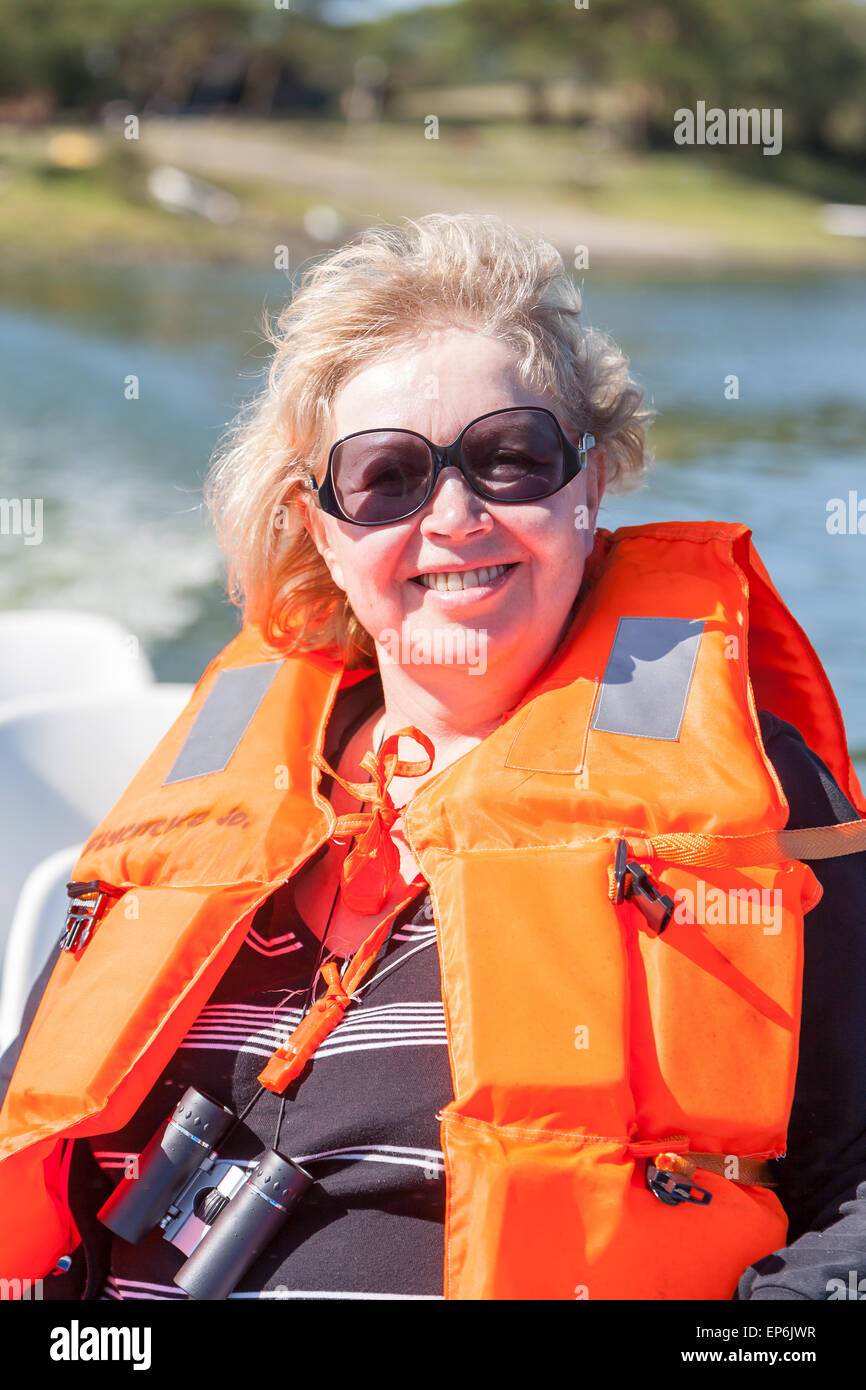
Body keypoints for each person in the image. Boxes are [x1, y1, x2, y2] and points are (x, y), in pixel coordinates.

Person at [1, 213, 865, 1301]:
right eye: (387, 476)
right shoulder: (204, 796)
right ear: (318, 527)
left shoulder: (746, 793)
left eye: (510, 458)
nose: (454, 515)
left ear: (587, 485)